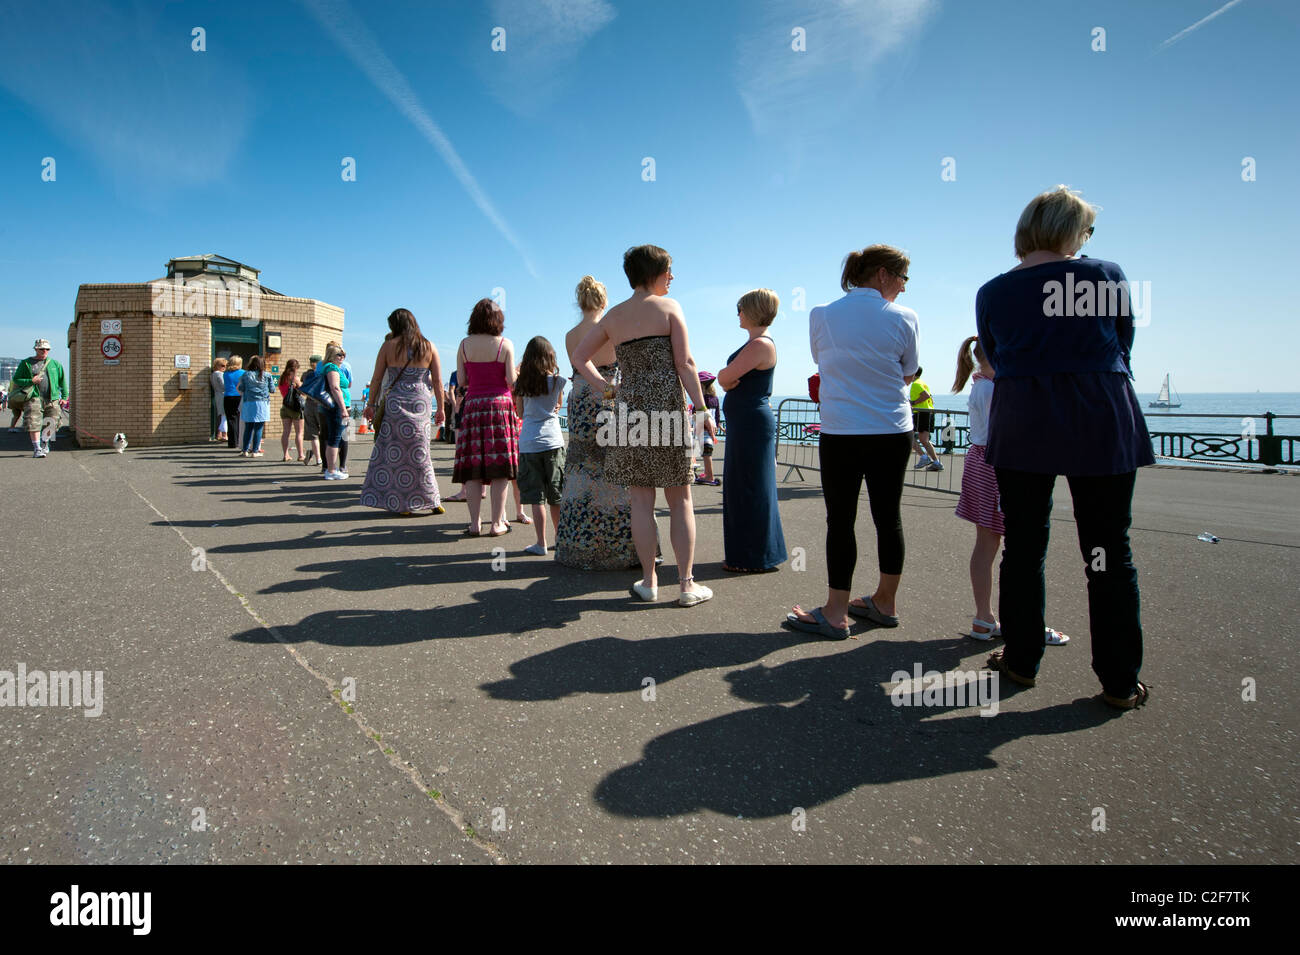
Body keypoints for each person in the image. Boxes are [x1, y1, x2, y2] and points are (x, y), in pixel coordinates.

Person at [977, 185, 1153, 708]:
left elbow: (997, 355)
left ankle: (1022, 659)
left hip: (1024, 418)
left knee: (1025, 546)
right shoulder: (1104, 275)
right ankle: (1120, 681)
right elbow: (1122, 342)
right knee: (1107, 552)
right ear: (1074, 231)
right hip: (1099, 413)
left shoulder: (993, 291)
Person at [787, 245, 918, 639]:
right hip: (892, 430)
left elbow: (821, 359)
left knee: (841, 520)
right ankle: (885, 602)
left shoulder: (822, 315)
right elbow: (909, 371)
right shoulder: (904, 317)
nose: (904, 288)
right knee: (887, 517)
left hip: (842, 431)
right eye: (903, 279)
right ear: (882, 274)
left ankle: (836, 612)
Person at [572, 245, 713, 607]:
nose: (672, 277)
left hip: (628, 411)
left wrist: (605, 388)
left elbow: (579, 358)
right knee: (680, 498)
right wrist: (702, 409)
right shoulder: (670, 307)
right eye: (669, 270)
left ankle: (649, 582)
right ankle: (685, 585)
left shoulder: (613, 316)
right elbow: (685, 363)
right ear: (654, 272)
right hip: (667, 409)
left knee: (640, 500)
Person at [952, 336, 1069, 646]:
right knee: (1020, 547)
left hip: (979, 461)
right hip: (998, 466)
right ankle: (1024, 623)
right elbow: (1013, 429)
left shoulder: (979, 384)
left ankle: (984, 618)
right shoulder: (993, 389)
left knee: (986, 546)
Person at [555, 275, 641, 571]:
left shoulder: (569, 335)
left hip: (580, 399)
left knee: (581, 471)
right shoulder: (612, 329)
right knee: (617, 470)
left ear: (580, 302)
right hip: (609, 395)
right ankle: (623, 546)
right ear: (604, 302)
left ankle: (578, 545)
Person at [718, 289, 786, 573]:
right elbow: (727, 379)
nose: (738, 313)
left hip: (751, 424)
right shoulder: (756, 344)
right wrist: (728, 380)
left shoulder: (761, 345)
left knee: (750, 487)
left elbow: (724, 377)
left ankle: (754, 556)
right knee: (743, 485)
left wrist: (727, 379)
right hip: (745, 423)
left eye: (740, 308)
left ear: (752, 310)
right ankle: (750, 553)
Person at [360, 308, 447, 515]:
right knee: (421, 452)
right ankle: (432, 499)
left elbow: (377, 379)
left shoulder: (388, 346)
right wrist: (441, 408)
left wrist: (371, 404)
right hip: (420, 402)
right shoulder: (429, 346)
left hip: (396, 403)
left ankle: (404, 503)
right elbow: (437, 381)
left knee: (396, 455)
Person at [452, 299, 518, 535]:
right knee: (499, 467)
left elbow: (461, 381)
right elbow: (511, 380)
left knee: (473, 467)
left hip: (473, 408)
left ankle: (474, 523)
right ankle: (497, 522)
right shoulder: (505, 344)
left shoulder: (464, 345)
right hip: (500, 408)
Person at [513, 336, 566, 555]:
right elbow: (559, 405)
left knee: (536, 498)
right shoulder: (558, 381)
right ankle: (560, 540)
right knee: (556, 496)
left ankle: (540, 543)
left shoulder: (521, 385)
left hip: (529, 442)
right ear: (550, 357)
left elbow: (520, 413)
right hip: (553, 441)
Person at [12, 339, 67, 458]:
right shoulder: (26, 363)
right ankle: (37, 449)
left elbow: (63, 382)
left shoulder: (55, 364)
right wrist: (30, 381)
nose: (45, 351)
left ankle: (45, 442)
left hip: (52, 399)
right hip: (34, 397)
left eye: (47, 349)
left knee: (52, 422)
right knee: (34, 422)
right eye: (42, 349)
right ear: (36, 349)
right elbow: (16, 379)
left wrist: (64, 397)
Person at [319, 343, 353, 479]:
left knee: (337, 437)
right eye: (340, 354)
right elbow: (335, 388)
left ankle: (332, 468)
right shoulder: (331, 368)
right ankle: (331, 470)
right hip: (336, 407)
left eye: (344, 354)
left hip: (335, 407)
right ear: (332, 356)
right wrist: (343, 408)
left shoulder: (331, 367)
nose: (342, 357)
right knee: (335, 437)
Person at [237, 355, 272, 456]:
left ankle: (245, 450)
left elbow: (241, 388)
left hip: (248, 402)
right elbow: (272, 389)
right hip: (262, 403)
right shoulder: (267, 375)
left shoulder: (246, 375)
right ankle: (255, 451)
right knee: (258, 428)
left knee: (248, 427)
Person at [910, 367, 943, 471]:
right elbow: (930, 397)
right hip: (928, 412)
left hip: (921, 413)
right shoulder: (922, 383)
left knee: (908, 436)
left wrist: (913, 403)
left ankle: (924, 457)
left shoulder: (916, 384)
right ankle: (937, 462)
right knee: (924, 440)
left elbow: (926, 395)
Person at [694, 373, 721, 486]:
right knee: (707, 453)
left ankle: (709, 476)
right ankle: (707, 474)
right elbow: (718, 415)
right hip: (712, 430)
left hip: (704, 430)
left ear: (702, 386)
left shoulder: (702, 400)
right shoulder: (715, 399)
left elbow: (699, 415)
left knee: (706, 454)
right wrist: (718, 425)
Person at [278, 358, 305, 461]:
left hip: (285, 407)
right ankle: (301, 455)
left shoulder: (282, 378)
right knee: (299, 432)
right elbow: (303, 392)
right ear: (296, 368)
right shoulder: (295, 379)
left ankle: (286, 455)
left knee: (286, 432)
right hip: (295, 408)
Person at [302, 354, 322, 466]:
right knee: (324, 433)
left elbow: (302, 390)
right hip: (321, 405)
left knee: (313, 434)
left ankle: (318, 458)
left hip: (309, 405)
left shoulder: (306, 375)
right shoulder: (322, 374)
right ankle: (323, 457)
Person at [222, 356, 245, 450]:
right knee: (240, 419)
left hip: (228, 397)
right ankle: (240, 441)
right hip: (239, 397)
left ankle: (232, 442)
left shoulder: (225, 374)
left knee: (231, 420)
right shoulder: (243, 373)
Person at [210, 357, 228, 442]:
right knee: (224, 415)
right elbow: (224, 385)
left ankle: (219, 433)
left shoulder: (213, 374)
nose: (224, 367)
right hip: (223, 395)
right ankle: (223, 434)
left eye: (226, 365)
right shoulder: (220, 374)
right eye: (222, 365)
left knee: (221, 414)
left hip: (217, 395)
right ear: (217, 365)